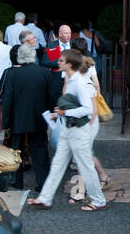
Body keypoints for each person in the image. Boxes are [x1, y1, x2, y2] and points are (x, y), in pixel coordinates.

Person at [29, 49, 106, 212]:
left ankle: (98, 200)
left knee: (85, 166)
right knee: (57, 163)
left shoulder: (79, 82)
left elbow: (87, 109)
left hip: (79, 129)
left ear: (69, 64)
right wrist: (58, 113)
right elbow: (72, 104)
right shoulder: (70, 80)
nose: (58, 62)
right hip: (68, 127)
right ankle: (45, 199)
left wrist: (65, 112)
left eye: (61, 60)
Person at [0, 42, 52, 190]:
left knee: (17, 151)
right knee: (40, 151)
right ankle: (43, 183)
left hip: (18, 119)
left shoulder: (13, 74)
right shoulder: (45, 72)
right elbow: (50, 97)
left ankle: (17, 180)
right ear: (33, 56)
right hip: (39, 119)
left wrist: (6, 122)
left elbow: (8, 100)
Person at [80, 54, 109, 191]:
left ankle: (83, 189)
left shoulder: (75, 78)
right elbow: (97, 85)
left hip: (84, 121)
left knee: (82, 154)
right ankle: (101, 178)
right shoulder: (89, 71)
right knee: (83, 153)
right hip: (87, 119)